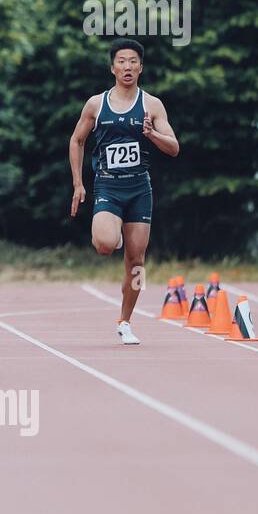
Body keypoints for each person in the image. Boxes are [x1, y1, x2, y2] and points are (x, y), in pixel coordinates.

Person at [68, 38, 180, 345]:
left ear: (141, 67)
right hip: (107, 184)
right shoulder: (96, 104)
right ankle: (112, 232)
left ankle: (125, 320)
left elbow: (174, 147)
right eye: (121, 61)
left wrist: (152, 133)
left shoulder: (152, 105)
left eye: (133, 61)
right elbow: (76, 141)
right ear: (112, 67)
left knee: (137, 262)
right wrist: (78, 183)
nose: (127, 67)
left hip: (139, 187)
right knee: (104, 244)